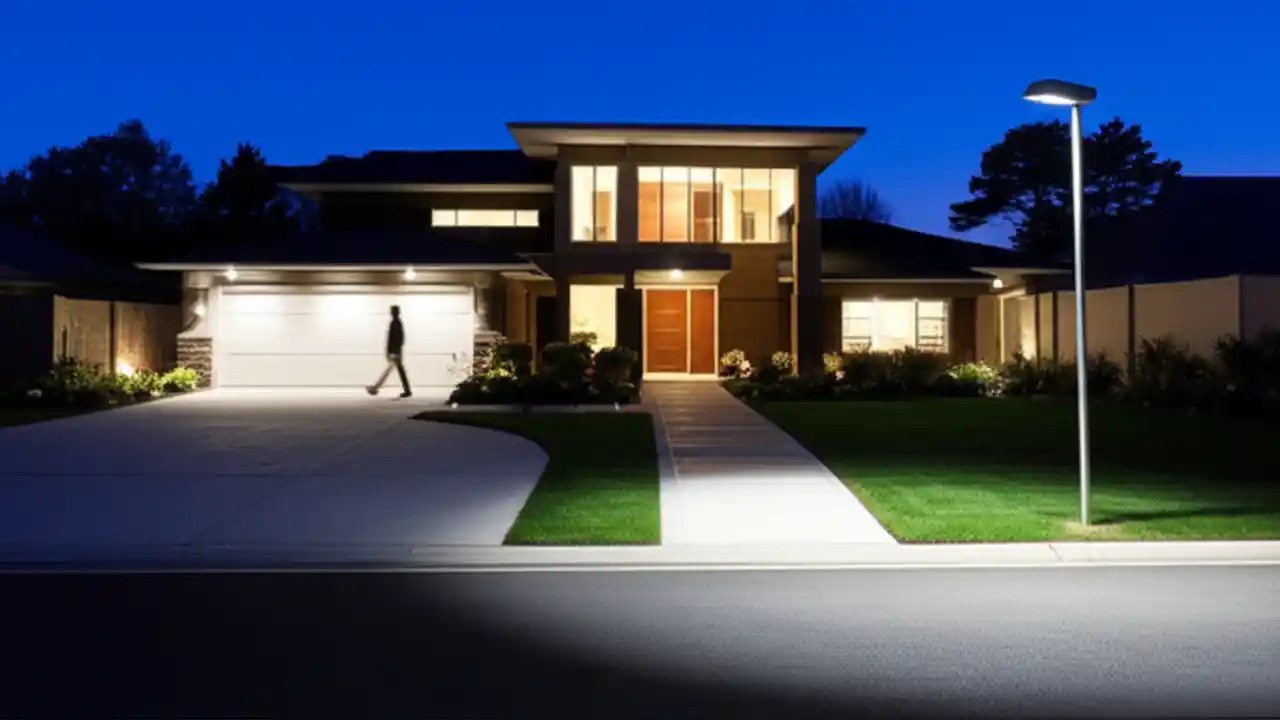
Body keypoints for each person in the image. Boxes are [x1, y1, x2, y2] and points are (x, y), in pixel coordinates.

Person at [366, 305, 412, 398]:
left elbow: (395, 338)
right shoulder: (397, 322)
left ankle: (375, 388)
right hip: (396, 351)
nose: (391, 313)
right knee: (399, 371)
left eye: (392, 311)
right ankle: (407, 390)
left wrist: (392, 351)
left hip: (395, 351)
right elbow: (400, 339)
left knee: (388, 371)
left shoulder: (395, 323)